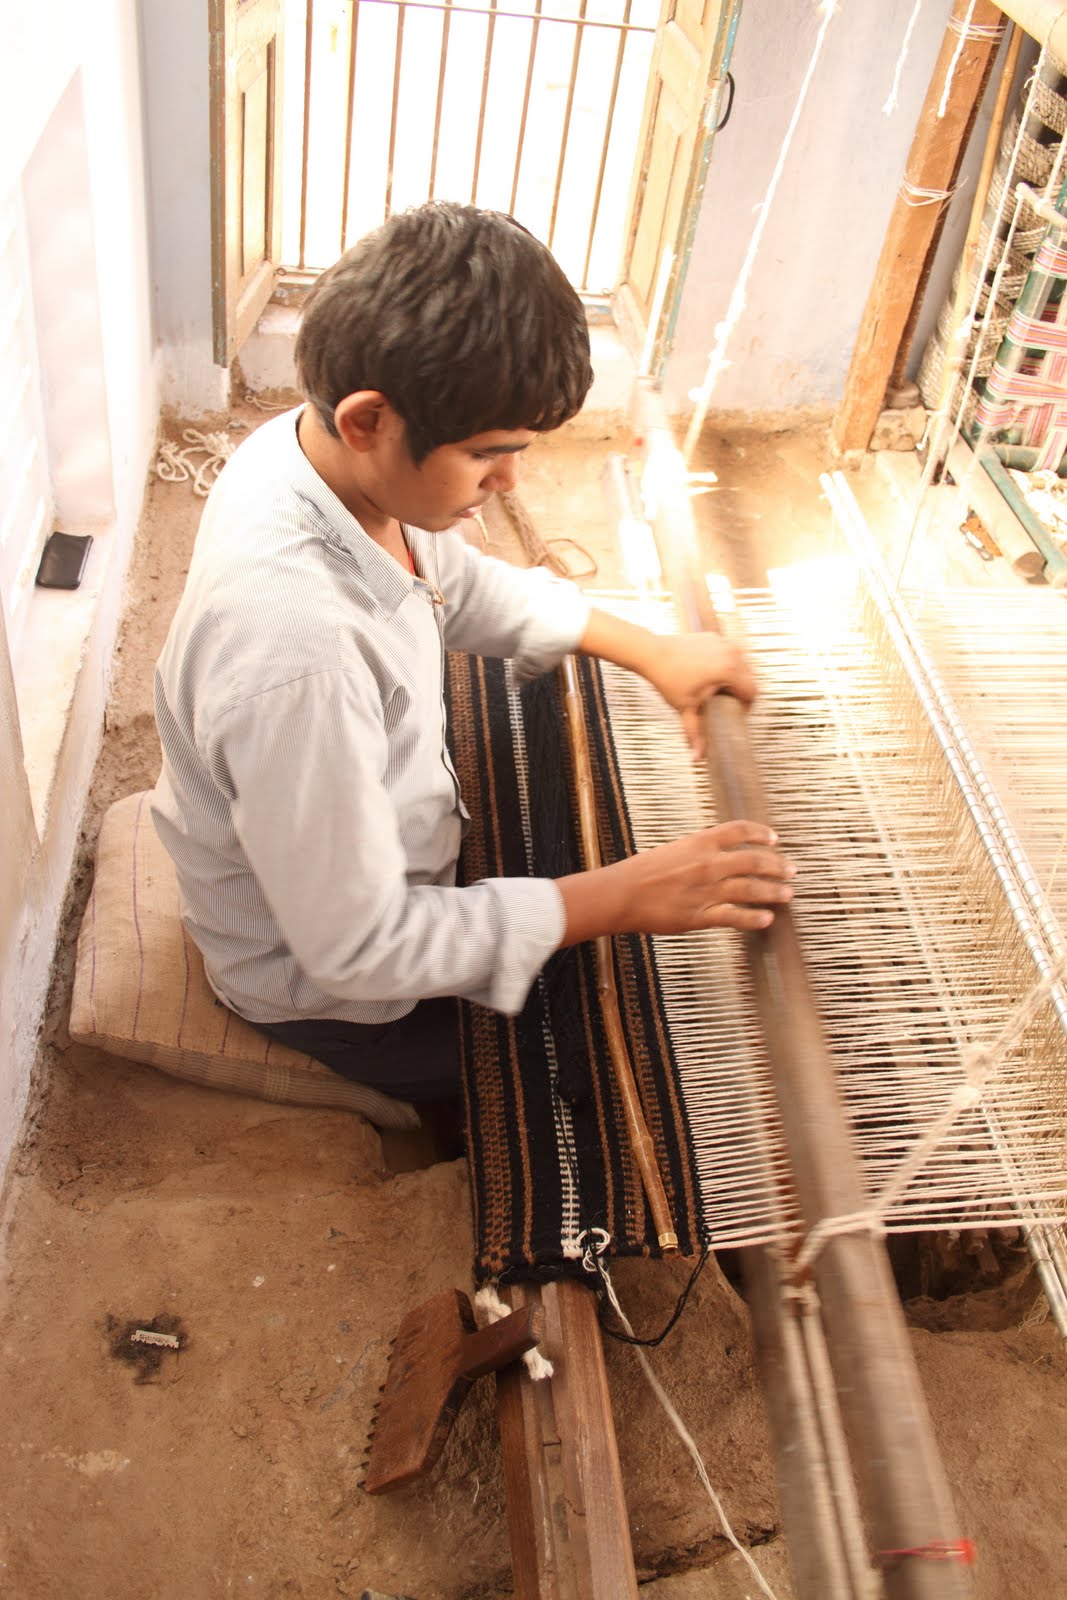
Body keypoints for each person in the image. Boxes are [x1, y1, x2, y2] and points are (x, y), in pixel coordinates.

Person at [150, 202, 794, 1112]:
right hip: (330, 992)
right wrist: (624, 896)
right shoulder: (300, 659)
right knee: (606, 1084)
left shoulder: (311, 454)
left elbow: (449, 580)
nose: (510, 482)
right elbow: (360, 949)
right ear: (369, 420)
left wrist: (646, 648)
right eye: (488, 455)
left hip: (348, 849)